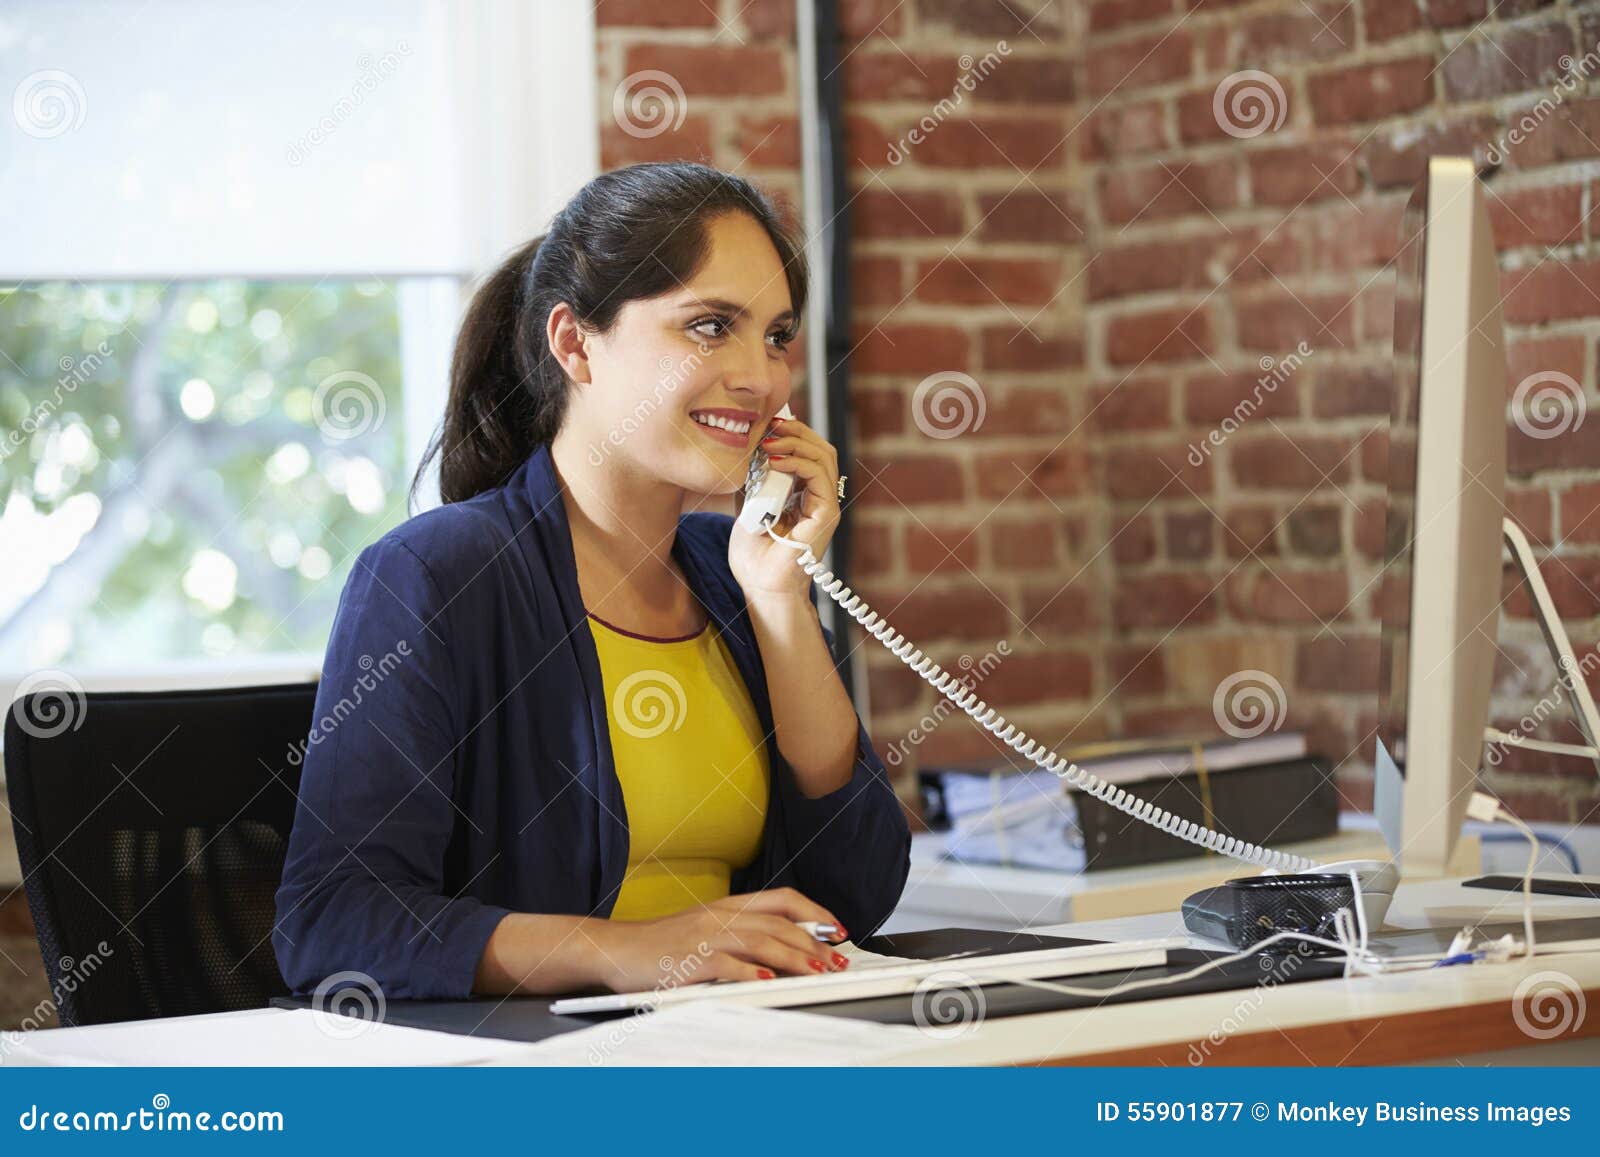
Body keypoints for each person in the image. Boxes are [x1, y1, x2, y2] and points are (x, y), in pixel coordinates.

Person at [273, 161, 911, 1000]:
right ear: (574, 342)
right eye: (710, 326)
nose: (760, 376)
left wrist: (780, 598)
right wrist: (626, 949)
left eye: (776, 335)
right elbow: (334, 918)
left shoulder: (735, 579)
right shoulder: (436, 576)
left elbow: (854, 894)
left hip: (743, 1050)